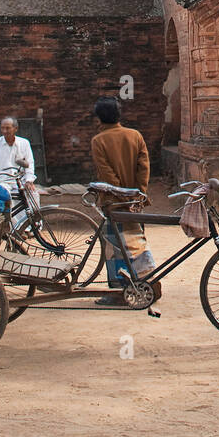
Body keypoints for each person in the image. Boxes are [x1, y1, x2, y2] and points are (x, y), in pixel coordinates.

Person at [90, 95, 161, 312]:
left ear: (99, 119)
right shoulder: (135, 135)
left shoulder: (99, 141)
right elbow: (144, 168)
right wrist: (138, 195)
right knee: (137, 241)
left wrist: (122, 197)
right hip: (135, 203)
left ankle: (121, 292)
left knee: (116, 248)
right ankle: (149, 282)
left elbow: (108, 176)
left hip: (114, 204)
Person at [0, 117, 37, 200]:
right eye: (2, 128)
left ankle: (32, 213)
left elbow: (30, 164)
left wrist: (29, 181)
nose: (4, 131)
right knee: (5, 197)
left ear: (15, 129)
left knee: (33, 194)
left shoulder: (24, 143)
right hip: (0, 181)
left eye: (8, 128)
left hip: (20, 180)